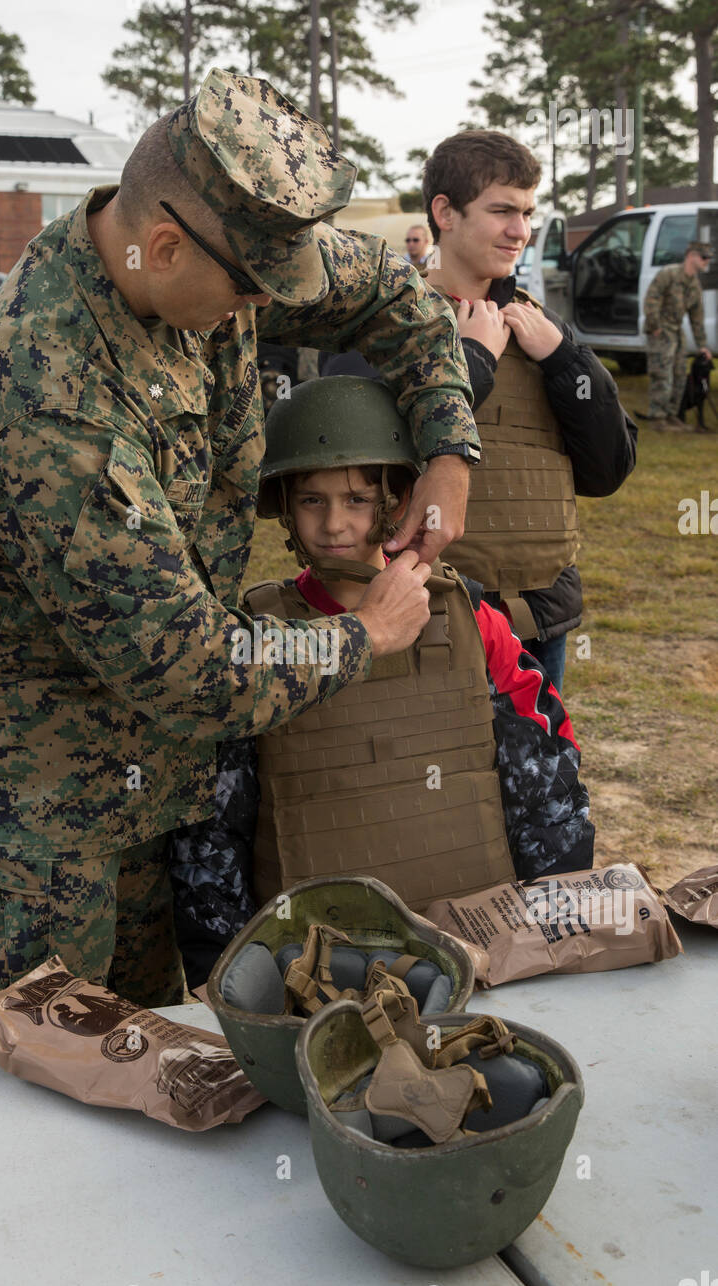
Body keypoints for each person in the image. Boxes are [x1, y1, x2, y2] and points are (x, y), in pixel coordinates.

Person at [0, 69, 482, 1036]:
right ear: (164, 245)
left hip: (147, 779)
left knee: (140, 1051)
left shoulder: (206, 258)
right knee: (16, 1088)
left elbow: (397, 299)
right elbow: (195, 671)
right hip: (27, 813)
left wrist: (450, 453)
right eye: (250, 290)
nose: (262, 307)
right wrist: (362, 636)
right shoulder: (44, 394)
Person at [170, 376, 593, 969]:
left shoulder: (470, 620)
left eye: (357, 500)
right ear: (285, 508)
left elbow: (547, 774)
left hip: (477, 956)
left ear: (396, 500)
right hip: (315, 971)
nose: (335, 524)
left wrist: (550, 924)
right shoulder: (258, 638)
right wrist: (226, 965)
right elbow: (214, 827)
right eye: (312, 500)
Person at [322, 130, 637, 693]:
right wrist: (471, 362)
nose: (521, 230)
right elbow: (346, 459)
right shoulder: (387, 324)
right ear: (445, 211)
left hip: (539, 615)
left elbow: (608, 469)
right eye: (501, 211)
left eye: (527, 212)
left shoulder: (541, 329)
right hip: (426, 612)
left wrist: (568, 360)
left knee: (538, 778)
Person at [644, 240, 713, 431]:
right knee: (662, 373)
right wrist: (654, 326)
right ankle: (657, 418)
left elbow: (696, 317)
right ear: (691, 256)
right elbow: (652, 298)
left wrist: (702, 345)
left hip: (676, 331)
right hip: (661, 330)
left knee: (679, 374)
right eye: (704, 257)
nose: (707, 261)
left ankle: (672, 415)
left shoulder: (694, 284)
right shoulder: (669, 274)